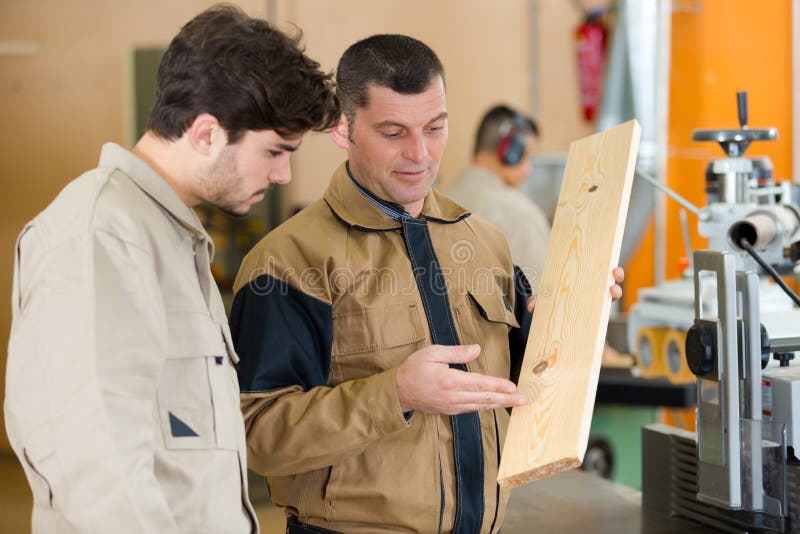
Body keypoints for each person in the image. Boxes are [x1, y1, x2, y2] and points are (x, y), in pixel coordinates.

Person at [231, 34, 622, 533]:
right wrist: (396, 394)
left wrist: (576, 313)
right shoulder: (288, 262)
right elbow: (256, 435)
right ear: (342, 127)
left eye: (434, 128)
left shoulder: (486, 243)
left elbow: (524, 382)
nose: (419, 153)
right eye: (393, 132)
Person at [4, 5, 338, 533]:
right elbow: (99, 472)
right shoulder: (102, 236)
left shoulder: (167, 236)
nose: (283, 173)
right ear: (206, 134)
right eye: (275, 151)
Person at [445, 105, 551, 290]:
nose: (529, 170)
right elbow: (540, 302)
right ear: (509, 153)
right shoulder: (523, 216)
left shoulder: (435, 202)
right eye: (527, 158)